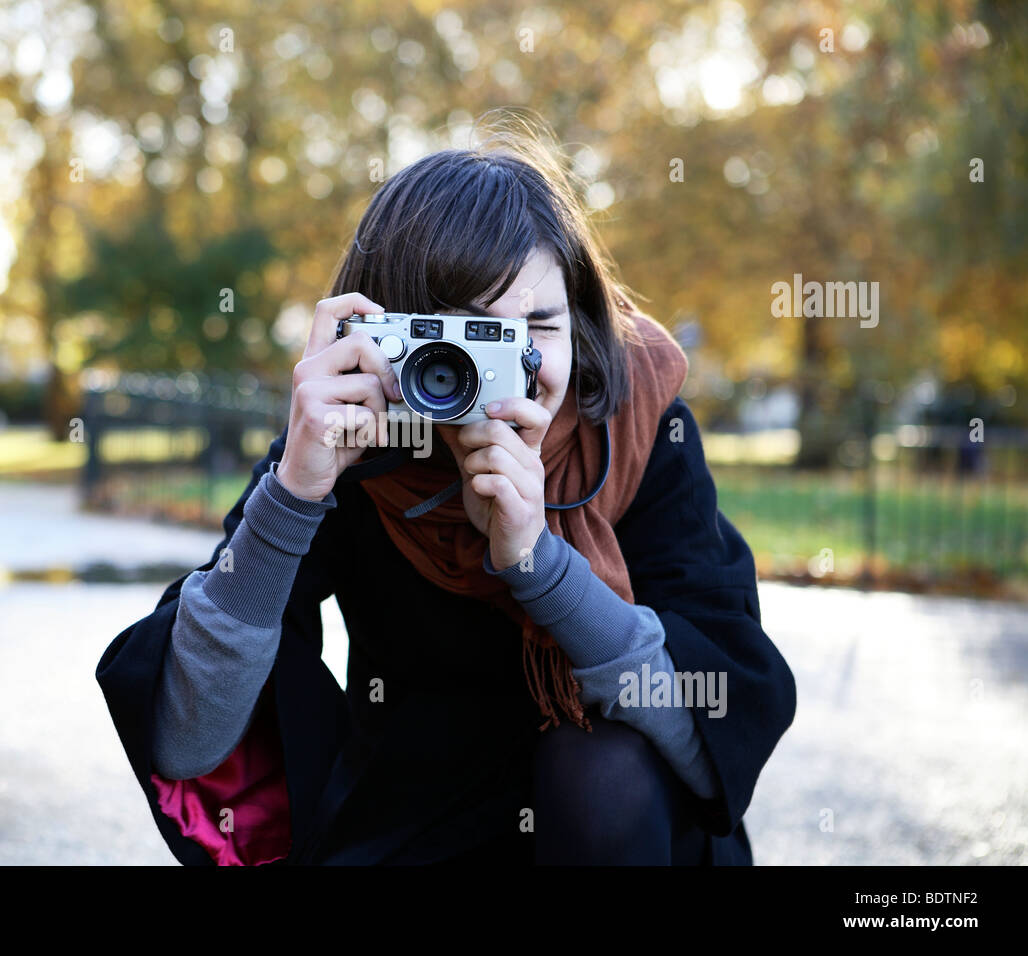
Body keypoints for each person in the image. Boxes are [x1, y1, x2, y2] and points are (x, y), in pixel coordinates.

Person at [96, 115, 797, 866]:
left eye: (538, 327)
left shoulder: (631, 425)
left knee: (599, 767)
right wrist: (294, 492)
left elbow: (707, 734)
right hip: (415, 813)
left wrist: (537, 561)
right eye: (462, 336)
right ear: (384, 330)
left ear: (583, 324)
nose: (513, 368)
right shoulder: (354, 444)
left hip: (620, 823)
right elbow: (189, 738)